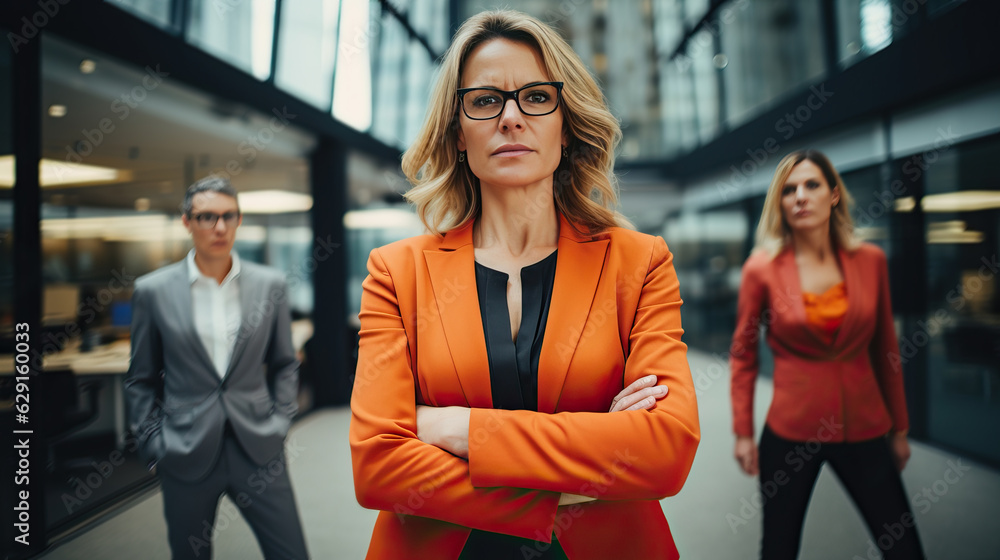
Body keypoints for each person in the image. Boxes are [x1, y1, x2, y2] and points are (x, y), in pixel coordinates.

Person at [349, 10, 700, 560]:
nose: (511, 118)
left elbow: (665, 450)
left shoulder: (640, 262)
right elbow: (378, 467)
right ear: (458, 133)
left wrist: (457, 427)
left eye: (536, 97)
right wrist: (573, 476)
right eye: (485, 101)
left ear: (567, 125)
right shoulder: (397, 272)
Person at [729, 150, 925, 559]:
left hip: (866, 427)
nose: (800, 196)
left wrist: (900, 429)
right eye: (789, 190)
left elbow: (886, 347)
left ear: (833, 194)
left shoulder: (870, 261)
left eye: (812, 185)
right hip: (791, 431)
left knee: (904, 547)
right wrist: (743, 432)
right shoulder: (762, 268)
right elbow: (743, 356)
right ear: (780, 203)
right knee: (779, 548)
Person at [125, 176, 309, 559]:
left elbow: (283, 364)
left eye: (229, 216)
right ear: (186, 222)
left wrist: (280, 423)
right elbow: (141, 378)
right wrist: (153, 444)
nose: (220, 227)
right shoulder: (153, 291)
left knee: (290, 552)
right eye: (207, 216)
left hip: (258, 446)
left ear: (239, 220)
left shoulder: (270, 284)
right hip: (185, 448)